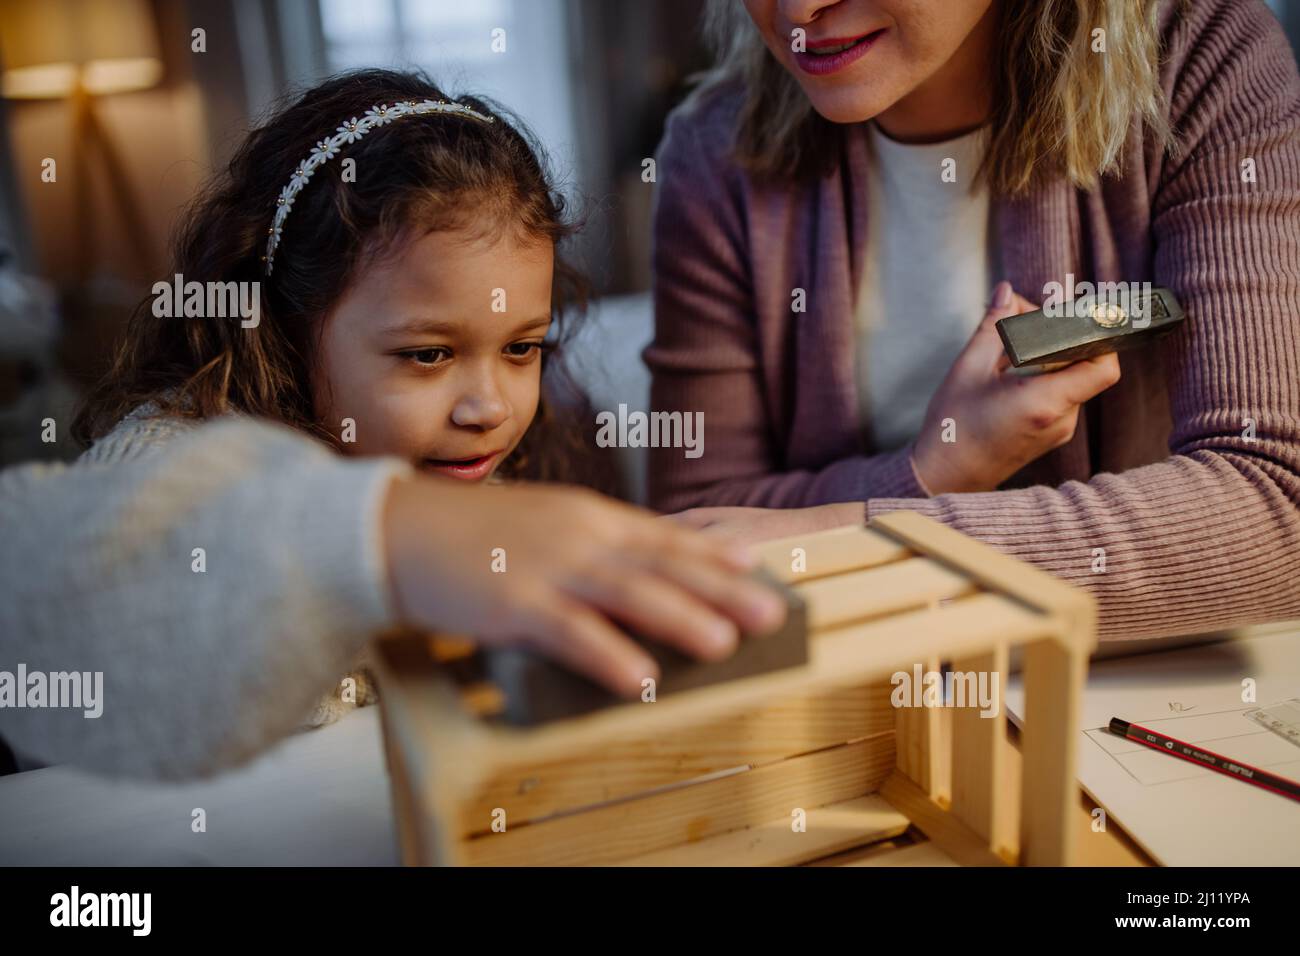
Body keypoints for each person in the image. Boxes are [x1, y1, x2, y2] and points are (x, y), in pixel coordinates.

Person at [0, 69, 784, 780]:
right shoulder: (167, 455)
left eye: (521, 348)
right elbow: (65, 624)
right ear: (285, 322)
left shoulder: (469, 471)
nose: (490, 407)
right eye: (427, 354)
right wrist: (382, 543)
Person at [647, 0, 1300, 639]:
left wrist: (860, 535)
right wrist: (937, 469)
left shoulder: (1201, 54)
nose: (799, 10)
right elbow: (687, 531)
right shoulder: (714, 150)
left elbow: (1276, 514)